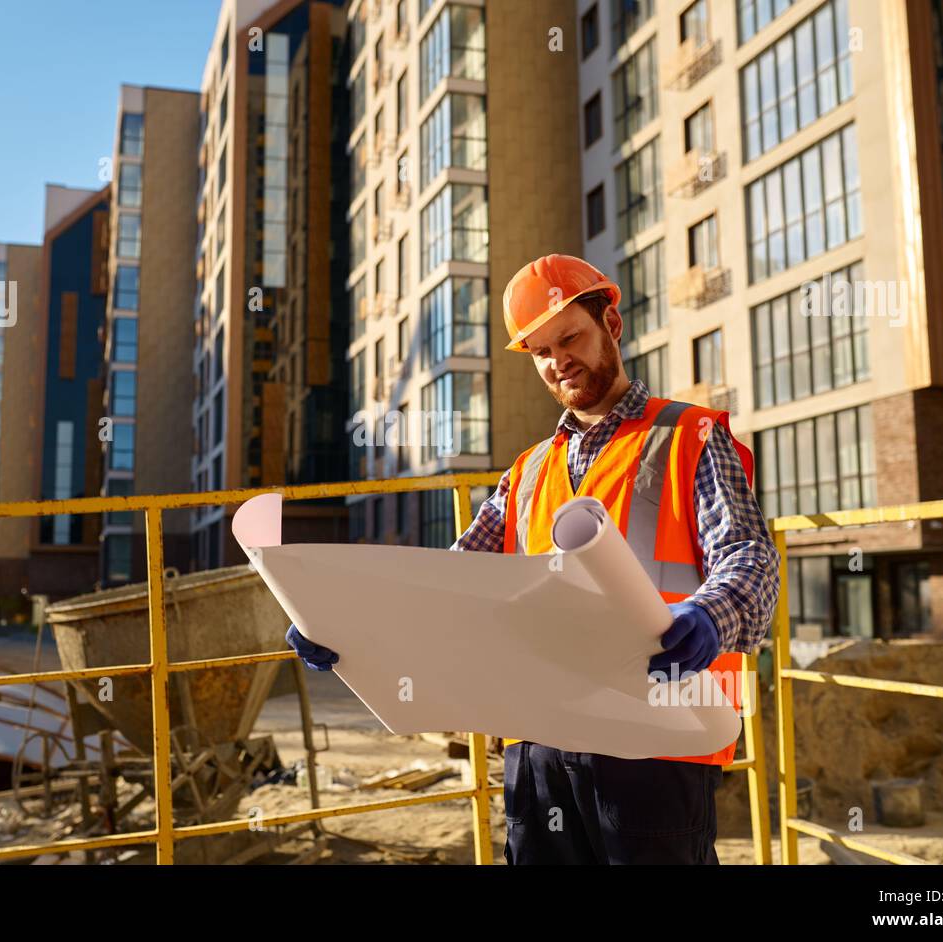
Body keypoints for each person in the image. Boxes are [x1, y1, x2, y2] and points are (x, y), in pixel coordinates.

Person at [285, 253, 779, 864]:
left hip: (656, 741)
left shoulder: (691, 437)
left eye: (569, 337)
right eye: (541, 351)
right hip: (538, 743)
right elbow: (449, 585)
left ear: (612, 325)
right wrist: (349, 627)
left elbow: (750, 560)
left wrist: (708, 616)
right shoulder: (527, 471)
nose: (557, 361)